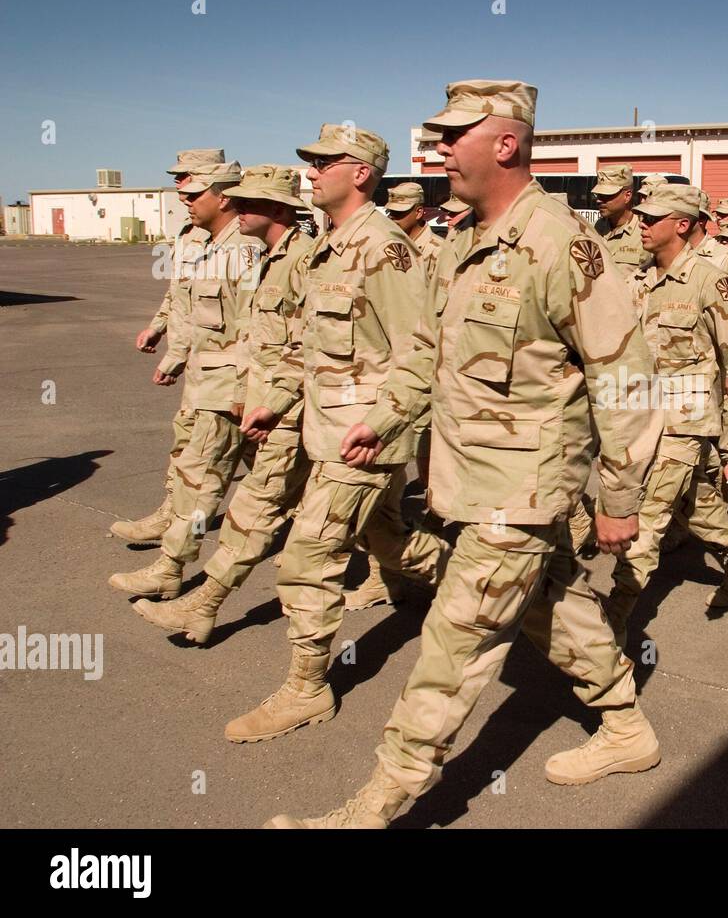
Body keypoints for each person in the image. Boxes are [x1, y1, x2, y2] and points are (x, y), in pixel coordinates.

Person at [265, 80, 665, 828]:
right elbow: (426, 352)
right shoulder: (462, 240)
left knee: (453, 642)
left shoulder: (560, 245)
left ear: (505, 144)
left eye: (454, 138)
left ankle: (378, 804)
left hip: (524, 487)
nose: (438, 151)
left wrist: (620, 501)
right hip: (470, 480)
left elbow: (625, 377)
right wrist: (384, 419)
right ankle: (626, 727)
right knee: (550, 608)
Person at [232, 124, 443, 743]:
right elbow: (310, 345)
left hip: (364, 436)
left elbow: (421, 351)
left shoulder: (383, 248)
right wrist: (274, 401)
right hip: (327, 429)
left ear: (361, 172)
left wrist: (379, 423)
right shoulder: (330, 245)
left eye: (325, 162)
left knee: (306, 560)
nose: (312, 171)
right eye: (311, 161)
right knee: (389, 540)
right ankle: (478, 578)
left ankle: (307, 689)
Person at [133, 164, 315, 642]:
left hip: (257, 392)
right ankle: (180, 571)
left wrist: (248, 394)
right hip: (236, 386)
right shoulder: (219, 244)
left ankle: (178, 569)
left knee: (212, 483)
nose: (237, 207)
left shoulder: (267, 253)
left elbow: (285, 339)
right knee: (213, 481)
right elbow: (199, 310)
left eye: (248, 201)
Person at [602, 183, 728, 647]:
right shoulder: (641, 278)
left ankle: (611, 627)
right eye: (639, 216)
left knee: (649, 517)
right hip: (643, 415)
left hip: (686, 422)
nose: (639, 223)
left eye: (650, 218)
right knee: (697, 504)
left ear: (680, 225)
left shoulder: (710, 280)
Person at [109, 162, 264, 598]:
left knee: (203, 478)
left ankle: (171, 566)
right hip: (208, 375)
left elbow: (257, 326)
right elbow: (185, 303)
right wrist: (173, 348)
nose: (184, 199)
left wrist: (240, 390)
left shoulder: (245, 250)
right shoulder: (208, 243)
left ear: (224, 196)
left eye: (195, 193)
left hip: (231, 384)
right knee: (245, 474)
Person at [111, 148, 225, 544]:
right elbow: (180, 292)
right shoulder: (190, 233)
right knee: (232, 449)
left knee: (195, 444)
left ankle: (174, 522)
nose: (180, 188)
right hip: (197, 358)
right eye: (177, 179)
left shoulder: (237, 238)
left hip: (217, 361)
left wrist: (176, 357)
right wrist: (158, 327)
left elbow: (218, 311)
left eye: (187, 178)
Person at [592, 164, 645, 270]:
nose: (599, 200)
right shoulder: (595, 228)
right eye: (598, 195)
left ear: (627, 196)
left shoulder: (644, 233)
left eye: (606, 195)